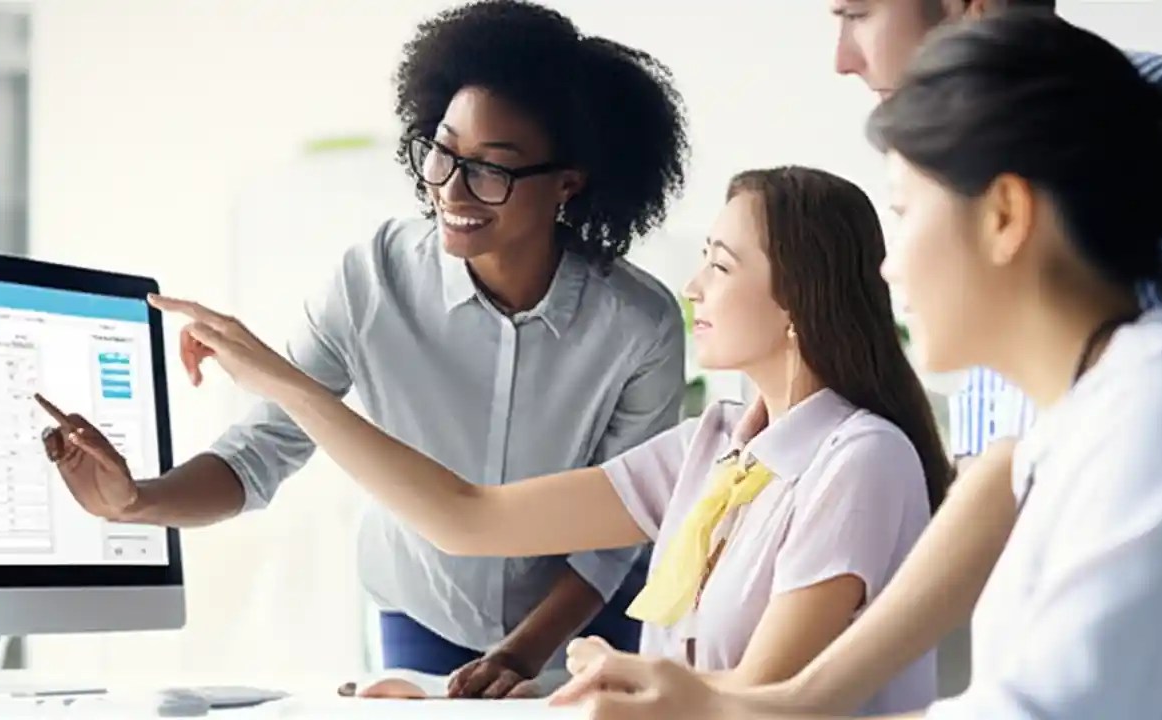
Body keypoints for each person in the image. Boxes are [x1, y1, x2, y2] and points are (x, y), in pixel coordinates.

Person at [68, 164, 953, 712]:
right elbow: (470, 519)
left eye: (720, 265)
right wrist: (287, 388)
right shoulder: (710, 448)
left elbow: (767, 702)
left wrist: (594, 678)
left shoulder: (861, 460)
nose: (693, 285)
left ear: (799, 301)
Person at [548, 11, 1162, 719]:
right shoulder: (1097, 411)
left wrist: (733, 711)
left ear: (1003, 216)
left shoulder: (1158, 418)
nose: (887, 269)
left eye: (902, 212)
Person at [35, 0, 690, 698]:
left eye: (492, 169)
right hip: (421, 610)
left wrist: (521, 655)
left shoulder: (638, 325)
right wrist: (138, 501)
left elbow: (618, 528)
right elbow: (261, 454)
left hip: (584, 614)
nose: (452, 188)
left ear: (570, 181)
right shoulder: (372, 280)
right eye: (443, 152)